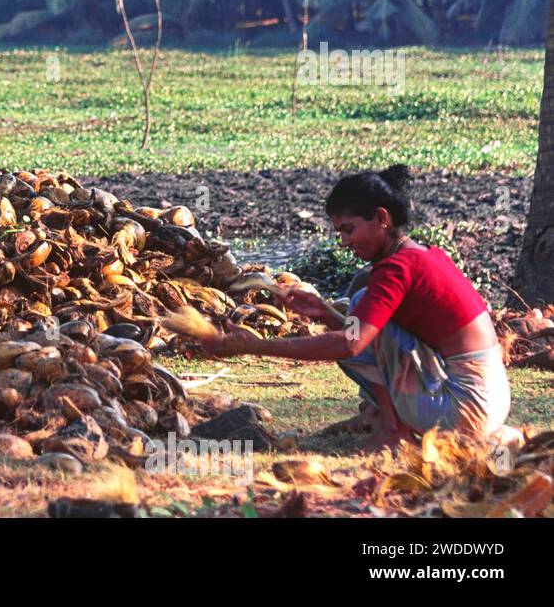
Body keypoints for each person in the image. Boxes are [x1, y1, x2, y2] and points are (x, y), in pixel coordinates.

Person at [198, 165, 514, 451]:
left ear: (381, 218)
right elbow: (363, 338)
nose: (345, 242)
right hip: (486, 406)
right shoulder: (424, 255)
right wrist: (323, 312)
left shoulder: (395, 269)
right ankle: (387, 420)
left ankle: (393, 431)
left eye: (348, 230)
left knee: (361, 304)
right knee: (362, 309)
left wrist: (258, 346)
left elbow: (352, 343)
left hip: (461, 411)